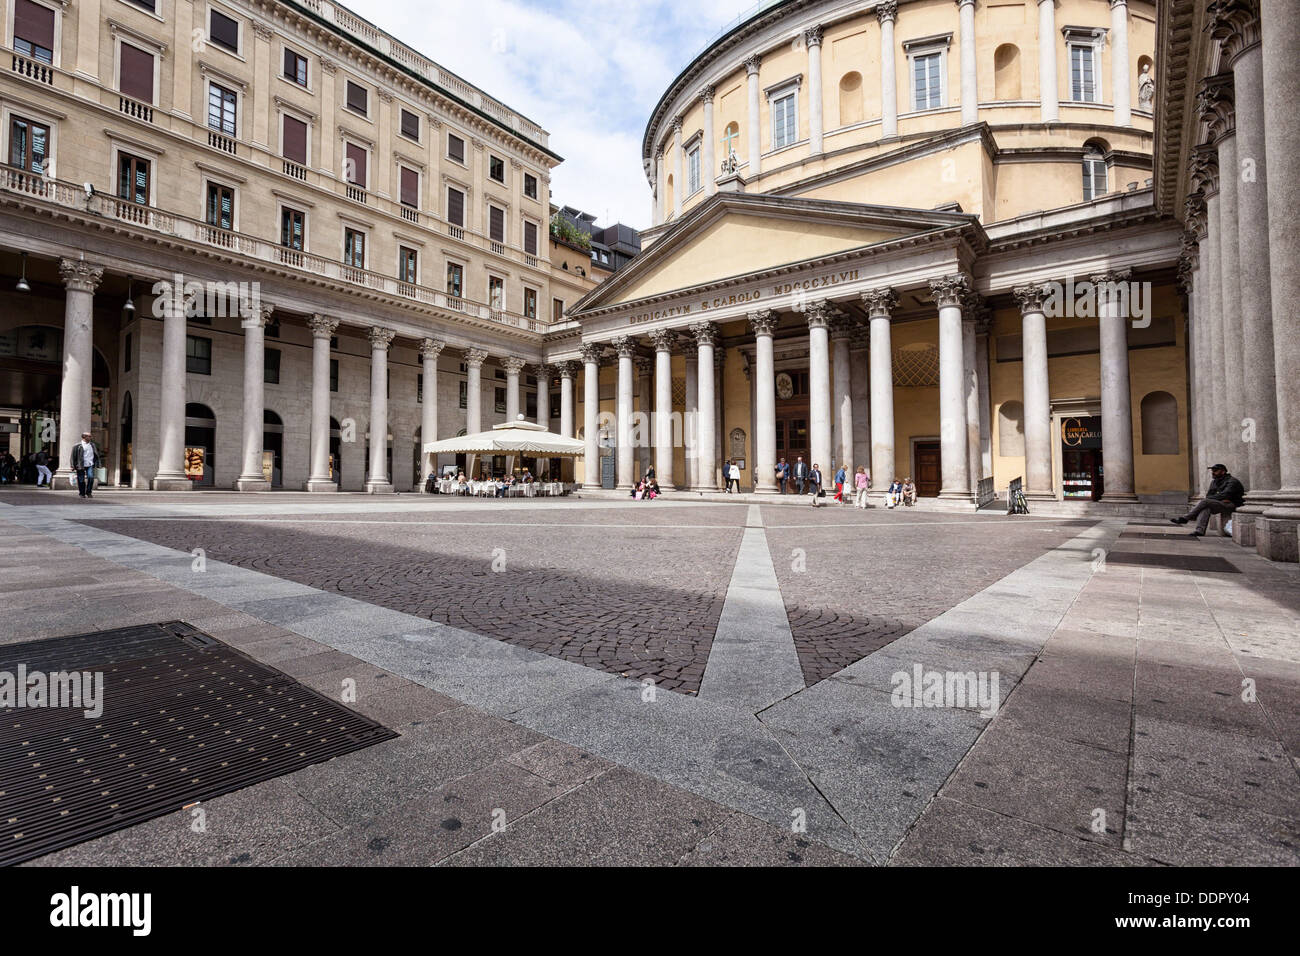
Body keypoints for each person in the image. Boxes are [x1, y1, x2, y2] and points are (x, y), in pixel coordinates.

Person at [1171, 464, 1245, 537]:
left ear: (1223, 472)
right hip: (1221, 503)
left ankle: (1186, 518)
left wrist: (1220, 498)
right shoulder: (1214, 482)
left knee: (1205, 501)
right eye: (1212, 470)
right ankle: (1199, 531)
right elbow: (1209, 495)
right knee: (1206, 507)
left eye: (1215, 471)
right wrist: (1220, 498)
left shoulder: (1232, 481)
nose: (1213, 472)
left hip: (1233, 504)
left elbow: (1225, 495)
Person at [71, 431, 101, 499]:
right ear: (84, 437)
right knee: (81, 480)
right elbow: (73, 456)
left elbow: (96, 454)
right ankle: (82, 493)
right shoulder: (77, 446)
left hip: (90, 464)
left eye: (90, 436)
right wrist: (73, 465)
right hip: (80, 464)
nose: (91, 437)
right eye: (89, 436)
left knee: (91, 477)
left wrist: (98, 463)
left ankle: (89, 492)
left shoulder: (92, 445)